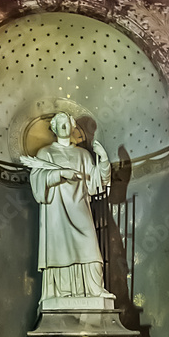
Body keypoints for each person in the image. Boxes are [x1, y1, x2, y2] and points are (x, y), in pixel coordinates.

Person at [24, 112, 113, 304]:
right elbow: (37, 181)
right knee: (60, 249)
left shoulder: (83, 155)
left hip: (80, 207)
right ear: (54, 128)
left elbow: (96, 183)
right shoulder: (45, 153)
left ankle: (95, 289)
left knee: (90, 247)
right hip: (57, 211)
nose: (64, 126)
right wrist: (60, 174)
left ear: (73, 127)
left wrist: (104, 159)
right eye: (60, 123)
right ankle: (61, 294)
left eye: (66, 122)